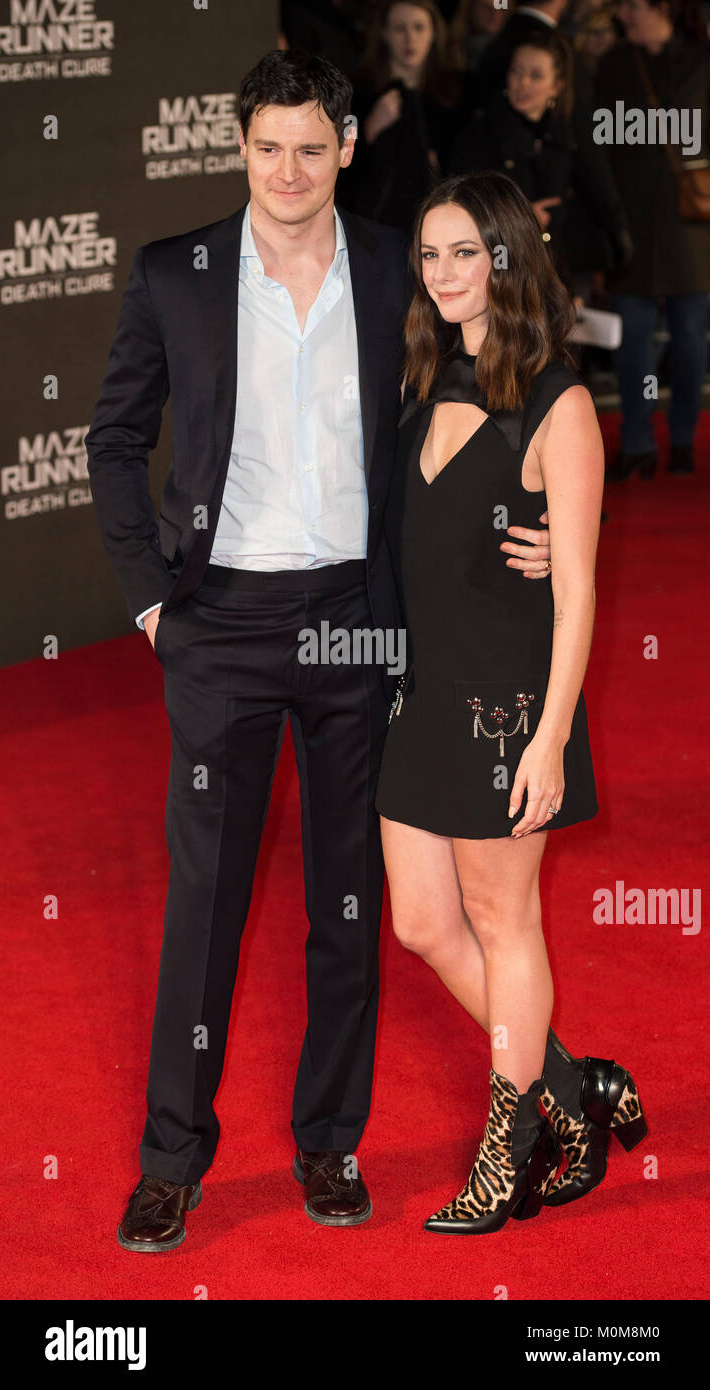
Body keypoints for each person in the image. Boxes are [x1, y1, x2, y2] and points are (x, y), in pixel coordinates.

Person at [85, 50, 552, 1252]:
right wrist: (151, 605)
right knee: (206, 903)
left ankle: (329, 1143)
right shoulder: (174, 277)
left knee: (349, 905)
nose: (286, 171)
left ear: (347, 146)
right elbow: (113, 439)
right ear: (238, 147)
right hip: (221, 625)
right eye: (264, 147)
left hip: (360, 618)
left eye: (310, 147)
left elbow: (499, 382)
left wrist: (545, 508)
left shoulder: (402, 264)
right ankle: (171, 1159)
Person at [375, 171, 648, 1233]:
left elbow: (577, 589)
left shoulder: (559, 400)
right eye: (430, 256)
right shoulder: (425, 374)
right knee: (418, 921)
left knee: (501, 920)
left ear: (505, 257)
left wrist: (547, 741)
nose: (444, 274)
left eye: (464, 253)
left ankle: (510, 1151)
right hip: (422, 690)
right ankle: (578, 1091)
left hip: (508, 706)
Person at [596, 0, 710, 479]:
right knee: (634, 343)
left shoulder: (703, 59)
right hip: (632, 229)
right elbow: (598, 144)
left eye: (630, 5)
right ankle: (639, 440)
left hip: (693, 225)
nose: (622, 14)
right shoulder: (615, 64)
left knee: (689, 341)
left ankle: (682, 436)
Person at [449, 28, 633, 298]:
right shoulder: (481, 132)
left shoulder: (566, 132)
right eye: (517, 72)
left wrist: (618, 236)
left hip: (553, 268)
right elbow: (456, 199)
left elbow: (597, 188)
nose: (522, 83)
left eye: (536, 75)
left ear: (556, 86)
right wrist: (518, 217)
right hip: (496, 270)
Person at [337, 0, 466, 232]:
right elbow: (339, 170)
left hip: (442, 224)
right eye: (400, 28)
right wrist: (368, 131)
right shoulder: (357, 93)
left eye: (418, 27)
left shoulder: (457, 94)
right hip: (375, 227)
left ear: (434, 32)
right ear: (384, 34)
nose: (410, 38)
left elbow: (472, 165)